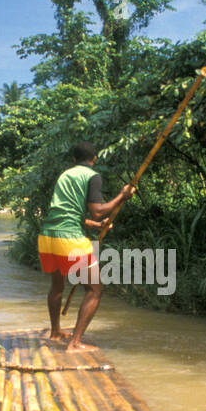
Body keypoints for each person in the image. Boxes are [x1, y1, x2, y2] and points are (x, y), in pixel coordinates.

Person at [37, 141, 135, 351]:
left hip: (47, 237)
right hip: (69, 240)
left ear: (73, 159)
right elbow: (97, 210)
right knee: (94, 290)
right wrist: (122, 196)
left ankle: (55, 332)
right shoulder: (92, 176)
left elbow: (67, 212)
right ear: (94, 159)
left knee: (57, 286)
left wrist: (96, 226)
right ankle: (75, 342)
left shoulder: (65, 175)